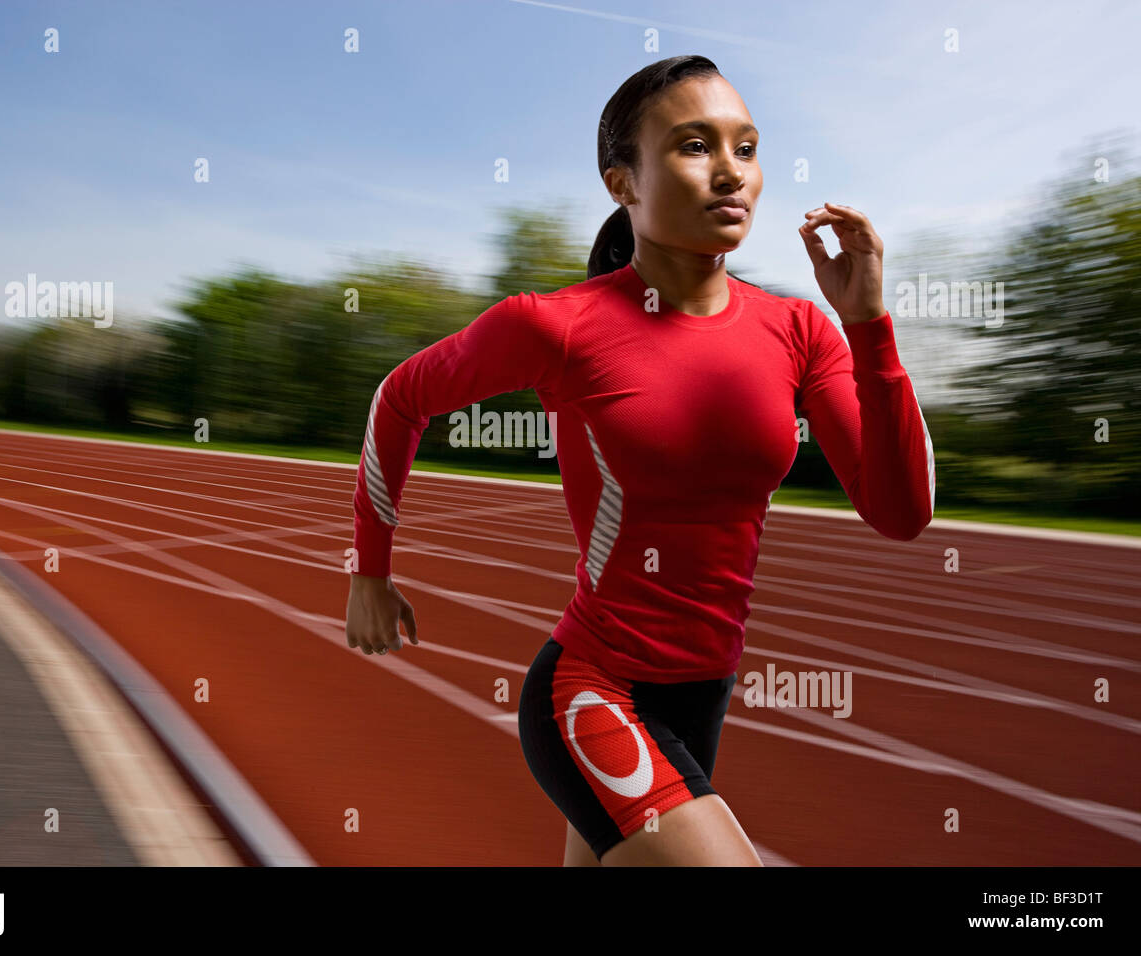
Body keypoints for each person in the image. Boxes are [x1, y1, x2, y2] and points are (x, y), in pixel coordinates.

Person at [345, 54, 934, 866]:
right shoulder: (556, 326)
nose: (731, 173)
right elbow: (399, 400)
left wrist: (868, 322)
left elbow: (899, 513)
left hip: (703, 694)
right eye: (695, 146)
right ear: (623, 182)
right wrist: (369, 572)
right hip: (593, 689)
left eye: (748, 148)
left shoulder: (801, 330)